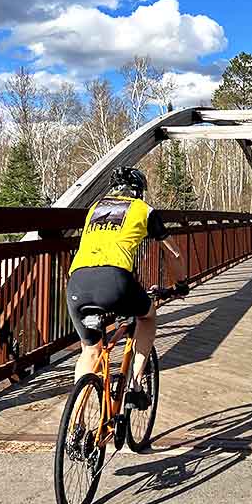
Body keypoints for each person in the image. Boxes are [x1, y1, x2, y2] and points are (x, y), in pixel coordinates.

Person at [66, 166, 188, 406]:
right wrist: (180, 285)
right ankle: (135, 384)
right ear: (139, 191)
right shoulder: (144, 210)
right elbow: (173, 254)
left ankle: (74, 425)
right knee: (147, 316)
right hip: (114, 281)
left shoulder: (94, 209)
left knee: (90, 350)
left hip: (77, 283)